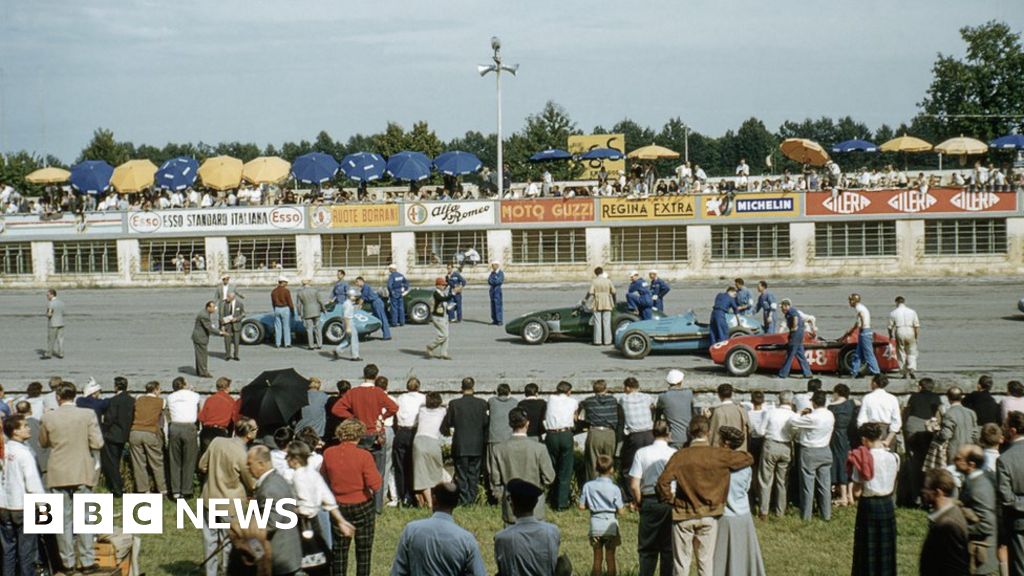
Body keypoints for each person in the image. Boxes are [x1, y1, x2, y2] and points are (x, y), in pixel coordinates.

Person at [656, 416, 753, 576]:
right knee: (706, 563)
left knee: (681, 564)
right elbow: (748, 457)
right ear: (708, 432)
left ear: (689, 432)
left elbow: (662, 482)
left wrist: (670, 500)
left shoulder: (680, 455)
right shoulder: (718, 454)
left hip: (683, 514)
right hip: (709, 514)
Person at [39, 382, 104, 574]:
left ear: (58, 397)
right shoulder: (86, 415)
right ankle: (87, 560)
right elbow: (98, 442)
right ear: (75, 396)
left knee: (62, 520)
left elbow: (43, 442)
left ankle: (67, 562)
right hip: (82, 469)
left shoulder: (48, 417)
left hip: (58, 470)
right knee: (85, 518)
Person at [198, 417, 258, 576]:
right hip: (230, 503)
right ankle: (227, 571)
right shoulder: (243, 454)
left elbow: (202, 465)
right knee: (229, 543)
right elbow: (251, 484)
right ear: (249, 434)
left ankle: (210, 573)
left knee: (209, 540)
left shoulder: (217, 441)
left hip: (209, 497)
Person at [331, 364, 397, 508]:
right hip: (375, 434)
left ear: (363, 375)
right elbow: (394, 407)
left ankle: (360, 500)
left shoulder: (354, 392)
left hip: (359, 434)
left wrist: (352, 417)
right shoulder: (378, 392)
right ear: (376, 376)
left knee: (357, 468)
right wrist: (382, 417)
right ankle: (377, 505)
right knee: (378, 471)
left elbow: (336, 409)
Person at [322, 419, 382, 576]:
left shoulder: (328, 453)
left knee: (339, 551)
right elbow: (375, 485)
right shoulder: (364, 456)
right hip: (362, 503)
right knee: (364, 551)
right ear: (359, 435)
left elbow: (323, 477)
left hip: (338, 504)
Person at [391, 482, 487, 576]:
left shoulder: (411, 530)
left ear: (434, 500)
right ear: (456, 503)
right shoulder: (466, 540)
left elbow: (398, 571)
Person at [285, 440, 354, 558]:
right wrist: (341, 520)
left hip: (301, 522)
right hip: (315, 522)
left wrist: (292, 509)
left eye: (288, 457)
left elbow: (306, 507)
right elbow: (329, 500)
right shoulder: (313, 474)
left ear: (295, 459)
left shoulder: (296, 476)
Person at [713, 426, 766, 576]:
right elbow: (747, 487)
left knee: (721, 557)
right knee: (744, 554)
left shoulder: (719, 466)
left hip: (725, 515)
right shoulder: (745, 465)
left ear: (726, 443)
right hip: (743, 514)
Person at [489, 407, 556, 525]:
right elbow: (549, 477)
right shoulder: (539, 448)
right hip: (535, 506)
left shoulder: (498, 449)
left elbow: (495, 479)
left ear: (510, 424)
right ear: (527, 423)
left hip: (511, 507)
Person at [850, 422, 900, 576]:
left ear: (864, 439)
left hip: (869, 504)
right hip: (887, 503)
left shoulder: (862, 459)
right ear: (880, 436)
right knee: (886, 550)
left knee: (867, 550)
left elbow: (857, 492)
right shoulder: (894, 457)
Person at [246, 445, 303, 576]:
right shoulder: (278, 478)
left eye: (250, 464)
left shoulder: (270, 488)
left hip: (279, 555)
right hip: (288, 552)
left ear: (261, 464)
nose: (248, 469)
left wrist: (245, 534)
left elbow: (270, 524)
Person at [629, 420, 676, 576]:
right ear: (668, 434)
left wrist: (639, 502)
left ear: (652, 433)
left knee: (647, 548)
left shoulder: (642, 453)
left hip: (649, 498)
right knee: (668, 549)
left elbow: (635, 484)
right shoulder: (674, 453)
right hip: (670, 500)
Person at [1, 415, 45, 576]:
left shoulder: (5, 451)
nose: (29, 428)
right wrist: (43, 509)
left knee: (8, 551)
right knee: (27, 551)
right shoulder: (24, 453)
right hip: (23, 506)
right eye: (24, 426)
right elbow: (33, 483)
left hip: (5, 505)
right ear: (15, 431)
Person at [494, 479, 563, 576]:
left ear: (512, 504)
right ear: (535, 504)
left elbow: (504, 569)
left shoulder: (502, 538)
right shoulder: (552, 531)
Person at [442, 377, 489, 506]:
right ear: (473, 387)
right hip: (477, 444)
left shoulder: (454, 404)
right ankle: (472, 498)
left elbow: (448, 423)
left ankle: (464, 499)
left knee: (461, 473)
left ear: (461, 388)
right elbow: (486, 422)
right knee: (473, 473)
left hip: (460, 444)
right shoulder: (482, 403)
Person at [790, 391, 835, 521]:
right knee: (825, 485)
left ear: (813, 402)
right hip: (825, 449)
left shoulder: (812, 417)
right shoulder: (830, 414)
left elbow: (793, 421)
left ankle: (806, 515)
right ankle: (826, 514)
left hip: (810, 450)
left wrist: (800, 412)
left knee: (807, 484)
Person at [953, 445, 998, 576]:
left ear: (971, 464)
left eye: (958, 458)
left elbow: (986, 524)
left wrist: (960, 528)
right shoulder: (974, 481)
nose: (954, 459)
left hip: (978, 557)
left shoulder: (979, 489)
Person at [579, 455, 625, 576]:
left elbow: (582, 506)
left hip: (595, 524)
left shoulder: (588, 486)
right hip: (610, 525)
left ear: (596, 468)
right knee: (610, 558)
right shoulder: (615, 488)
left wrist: (594, 506)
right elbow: (621, 511)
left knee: (597, 558)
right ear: (611, 469)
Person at [921, 468, 970, 576]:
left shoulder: (948, 525)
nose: (923, 491)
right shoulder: (945, 516)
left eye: (926, 488)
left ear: (938, 492)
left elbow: (956, 568)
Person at [756, 391, 796, 518]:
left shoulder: (771, 412)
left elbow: (761, 431)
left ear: (779, 400)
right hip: (786, 446)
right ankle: (780, 511)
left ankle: (764, 510)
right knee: (783, 480)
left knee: (765, 478)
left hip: (771, 444)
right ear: (791, 401)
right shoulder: (794, 415)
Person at [903, 378, 942, 504]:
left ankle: (916, 497)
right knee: (929, 462)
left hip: (913, 426)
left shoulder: (914, 397)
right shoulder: (936, 398)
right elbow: (940, 414)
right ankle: (928, 496)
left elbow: (906, 414)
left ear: (920, 387)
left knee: (914, 461)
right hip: (928, 428)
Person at [618, 377, 655, 501]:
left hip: (635, 436)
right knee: (648, 463)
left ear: (628, 387)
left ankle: (630, 496)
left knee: (628, 466)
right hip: (650, 434)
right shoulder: (647, 397)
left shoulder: (623, 399)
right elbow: (653, 406)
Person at [544, 381, 578, 511]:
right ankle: (561, 503)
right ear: (569, 391)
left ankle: (551, 497)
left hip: (551, 435)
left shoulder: (551, 399)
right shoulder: (573, 402)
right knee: (565, 470)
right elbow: (575, 418)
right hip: (565, 433)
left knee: (552, 467)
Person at [998, 411, 1024, 574]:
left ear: (1013, 431)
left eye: (1005, 426)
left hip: (1019, 522)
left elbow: (1006, 497)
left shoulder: (1005, 459)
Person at [167, 376, 201, 499]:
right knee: (189, 460)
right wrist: (192, 391)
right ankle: (186, 490)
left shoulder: (170, 397)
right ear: (184, 384)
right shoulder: (194, 396)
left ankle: (175, 490)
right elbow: (198, 409)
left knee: (174, 459)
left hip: (175, 426)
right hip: (189, 426)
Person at [129, 381, 166, 494]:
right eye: (159, 390)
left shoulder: (139, 399)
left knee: (138, 463)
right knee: (156, 462)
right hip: (150, 432)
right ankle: (162, 489)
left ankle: (144, 490)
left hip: (135, 431)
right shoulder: (161, 401)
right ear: (155, 390)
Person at [100, 376, 134, 498]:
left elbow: (110, 418)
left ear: (116, 387)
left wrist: (104, 428)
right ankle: (120, 486)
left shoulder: (114, 400)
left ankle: (117, 488)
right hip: (125, 434)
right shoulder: (131, 400)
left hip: (112, 435)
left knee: (111, 462)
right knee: (117, 459)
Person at [394, 378, 426, 507]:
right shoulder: (423, 398)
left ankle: (403, 496)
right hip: (415, 431)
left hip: (402, 431)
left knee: (400, 466)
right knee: (415, 466)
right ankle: (415, 495)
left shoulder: (401, 398)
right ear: (418, 387)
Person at [579, 380, 619, 480]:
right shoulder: (612, 400)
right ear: (606, 389)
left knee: (593, 463)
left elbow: (581, 405)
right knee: (608, 462)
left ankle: (593, 486)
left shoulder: (588, 401)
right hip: (609, 433)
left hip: (595, 432)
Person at [413, 392, 447, 508]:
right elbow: (446, 406)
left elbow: (422, 404)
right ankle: (438, 500)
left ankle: (430, 503)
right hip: (433, 441)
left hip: (419, 441)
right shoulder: (442, 412)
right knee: (436, 471)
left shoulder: (422, 410)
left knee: (421, 474)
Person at [828, 384, 857, 508]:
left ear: (836, 393)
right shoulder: (852, 404)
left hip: (836, 435)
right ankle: (850, 495)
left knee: (839, 463)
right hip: (848, 435)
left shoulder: (831, 407)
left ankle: (843, 496)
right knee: (848, 463)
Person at [857, 374, 902, 448]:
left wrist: (864, 434)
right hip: (887, 431)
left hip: (871, 430)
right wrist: (888, 440)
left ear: (874, 383)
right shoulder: (892, 398)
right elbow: (897, 421)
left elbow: (861, 420)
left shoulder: (867, 398)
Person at [198, 377, 236, 458]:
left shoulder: (209, 399)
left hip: (207, 431)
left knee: (206, 459)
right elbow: (233, 420)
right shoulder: (231, 401)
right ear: (228, 388)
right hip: (220, 432)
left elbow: (202, 417)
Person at [656, 369, 694, 449]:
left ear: (668, 382)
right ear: (681, 381)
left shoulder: (663, 397)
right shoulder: (689, 393)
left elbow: (658, 415)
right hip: (689, 435)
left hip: (673, 438)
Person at [844, 293, 880, 377]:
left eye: (850, 301)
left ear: (854, 301)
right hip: (863, 332)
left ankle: (876, 372)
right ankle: (854, 372)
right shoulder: (862, 307)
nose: (849, 302)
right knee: (858, 354)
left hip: (865, 332)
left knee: (868, 354)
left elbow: (862, 316)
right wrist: (851, 330)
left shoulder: (859, 308)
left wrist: (863, 327)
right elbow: (858, 322)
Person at [943, 387, 979, 465]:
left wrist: (937, 432)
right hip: (969, 450)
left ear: (948, 398)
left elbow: (946, 435)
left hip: (955, 451)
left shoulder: (949, 413)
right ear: (962, 397)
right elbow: (976, 434)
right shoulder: (971, 413)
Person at [778, 299, 813, 379]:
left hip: (796, 334)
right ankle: (808, 373)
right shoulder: (787, 313)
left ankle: (783, 373)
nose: (782, 309)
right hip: (799, 334)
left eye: (782, 307)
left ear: (786, 306)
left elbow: (795, 318)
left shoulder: (791, 311)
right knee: (800, 354)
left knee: (790, 354)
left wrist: (794, 327)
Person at [426, 277, 460, 360]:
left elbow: (445, 301)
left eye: (445, 285)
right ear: (437, 285)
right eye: (442, 285)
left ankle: (443, 353)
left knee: (446, 336)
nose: (444, 286)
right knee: (444, 335)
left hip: (444, 315)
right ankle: (430, 346)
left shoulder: (442, 293)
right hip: (437, 317)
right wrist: (453, 293)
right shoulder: (436, 293)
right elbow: (442, 299)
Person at [709, 383, 750, 452]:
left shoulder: (717, 411)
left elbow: (713, 432)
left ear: (719, 395)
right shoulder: (741, 410)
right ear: (732, 394)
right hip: (739, 449)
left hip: (722, 450)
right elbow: (749, 429)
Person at [888, 296, 921, 379]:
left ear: (896, 302)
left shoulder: (893, 312)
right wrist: (916, 337)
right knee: (911, 351)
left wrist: (890, 335)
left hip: (900, 330)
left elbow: (890, 327)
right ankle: (912, 369)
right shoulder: (912, 312)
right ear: (904, 302)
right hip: (910, 330)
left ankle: (903, 372)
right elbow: (916, 326)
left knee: (901, 352)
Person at [192, 301, 224, 378]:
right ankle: (203, 372)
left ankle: (200, 371)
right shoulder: (204, 315)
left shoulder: (205, 313)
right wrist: (220, 332)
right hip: (200, 338)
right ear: (208, 307)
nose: (214, 309)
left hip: (199, 337)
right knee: (202, 356)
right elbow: (209, 328)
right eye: (213, 308)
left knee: (200, 355)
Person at [588, 267, 616, 345]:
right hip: (607, 301)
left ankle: (598, 341)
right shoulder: (608, 281)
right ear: (602, 272)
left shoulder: (594, 281)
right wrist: (614, 302)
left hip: (597, 302)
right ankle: (607, 341)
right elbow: (614, 292)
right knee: (607, 322)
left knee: (597, 322)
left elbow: (591, 292)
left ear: (595, 273)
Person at [296, 278, 326, 350]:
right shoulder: (315, 291)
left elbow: (298, 305)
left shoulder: (300, 293)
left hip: (307, 312)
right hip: (316, 311)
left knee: (309, 329)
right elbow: (320, 301)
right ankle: (319, 344)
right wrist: (323, 309)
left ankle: (311, 345)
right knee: (318, 328)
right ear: (309, 283)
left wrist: (299, 313)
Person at [333, 288, 362, 361]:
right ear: (350, 296)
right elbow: (346, 317)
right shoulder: (348, 304)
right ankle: (355, 356)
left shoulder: (347, 303)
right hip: (349, 322)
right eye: (354, 296)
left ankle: (338, 349)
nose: (355, 297)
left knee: (348, 340)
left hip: (347, 322)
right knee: (354, 339)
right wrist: (348, 327)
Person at [271, 276, 295, 348]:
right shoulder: (286, 291)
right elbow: (290, 302)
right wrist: (292, 311)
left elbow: (273, 302)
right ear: (283, 282)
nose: (287, 284)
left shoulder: (274, 291)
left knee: (277, 327)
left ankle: (278, 343)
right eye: (286, 282)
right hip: (285, 308)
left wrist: (275, 309)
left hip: (277, 308)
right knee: (286, 326)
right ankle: (287, 343)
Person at [219, 291, 244, 360]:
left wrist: (237, 319)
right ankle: (227, 355)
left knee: (236, 341)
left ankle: (236, 355)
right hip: (227, 325)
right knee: (227, 340)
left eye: (228, 297)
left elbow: (243, 314)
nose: (227, 298)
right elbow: (221, 315)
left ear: (233, 297)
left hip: (236, 325)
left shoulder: (239, 304)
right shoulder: (225, 304)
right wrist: (222, 325)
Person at [45, 288, 65, 359]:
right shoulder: (62, 303)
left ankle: (49, 354)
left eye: (48, 295)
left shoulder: (50, 304)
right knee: (60, 339)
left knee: (51, 339)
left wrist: (47, 315)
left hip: (53, 324)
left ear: (52, 295)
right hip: (61, 323)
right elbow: (63, 313)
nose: (47, 297)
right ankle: (61, 353)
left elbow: (49, 314)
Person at [488, 261, 505, 325]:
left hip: (497, 290)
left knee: (498, 305)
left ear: (497, 265)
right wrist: (494, 281)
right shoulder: (492, 273)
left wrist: (494, 281)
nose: (492, 267)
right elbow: (489, 280)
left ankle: (499, 320)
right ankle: (494, 319)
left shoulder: (500, 273)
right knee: (493, 305)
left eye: (494, 265)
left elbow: (499, 281)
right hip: (492, 290)